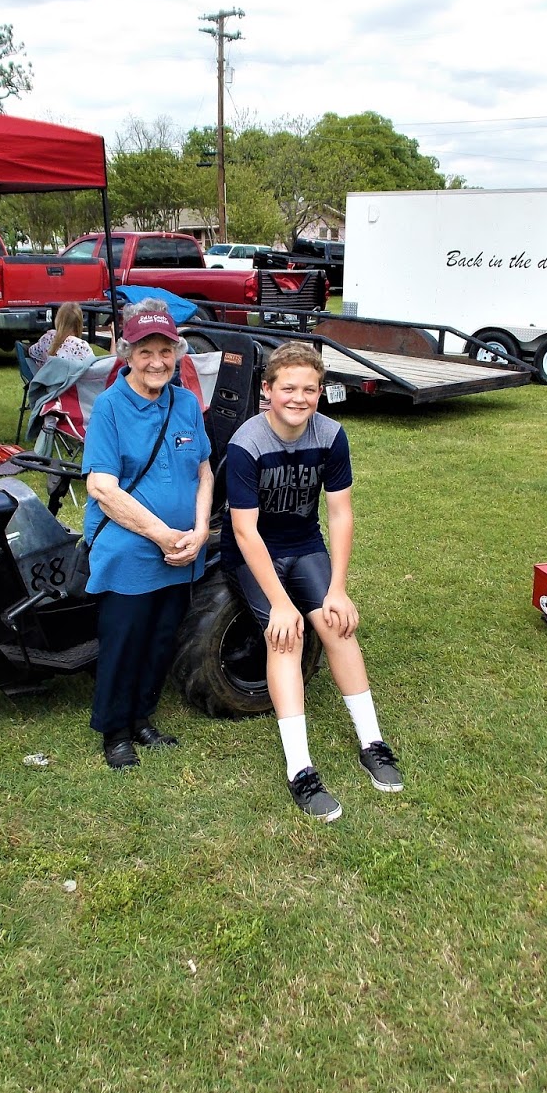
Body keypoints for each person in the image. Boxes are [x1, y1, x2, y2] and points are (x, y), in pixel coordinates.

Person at [224, 341, 402, 821]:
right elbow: (244, 529)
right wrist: (281, 604)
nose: (299, 398)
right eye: (288, 388)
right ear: (267, 390)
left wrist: (338, 588)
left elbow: (340, 514)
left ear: (321, 391)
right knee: (286, 636)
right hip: (253, 551)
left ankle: (372, 741)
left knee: (337, 624)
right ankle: (300, 769)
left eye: (309, 389)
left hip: (304, 545)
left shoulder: (331, 434)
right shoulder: (247, 442)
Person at [81, 301, 213, 769]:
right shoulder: (111, 408)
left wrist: (199, 529)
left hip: (182, 548)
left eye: (165, 350)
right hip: (132, 550)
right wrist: (162, 536)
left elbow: (203, 468)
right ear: (127, 354)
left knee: (161, 638)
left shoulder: (186, 403)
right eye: (145, 352)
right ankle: (115, 732)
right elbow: (101, 486)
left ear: (177, 352)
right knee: (125, 641)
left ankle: (142, 718)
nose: (157, 361)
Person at [28, 301, 95, 367]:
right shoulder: (82, 347)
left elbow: (32, 352)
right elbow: (93, 370)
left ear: (58, 319)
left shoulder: (47, 338)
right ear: (80, 322)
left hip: (50, 377)